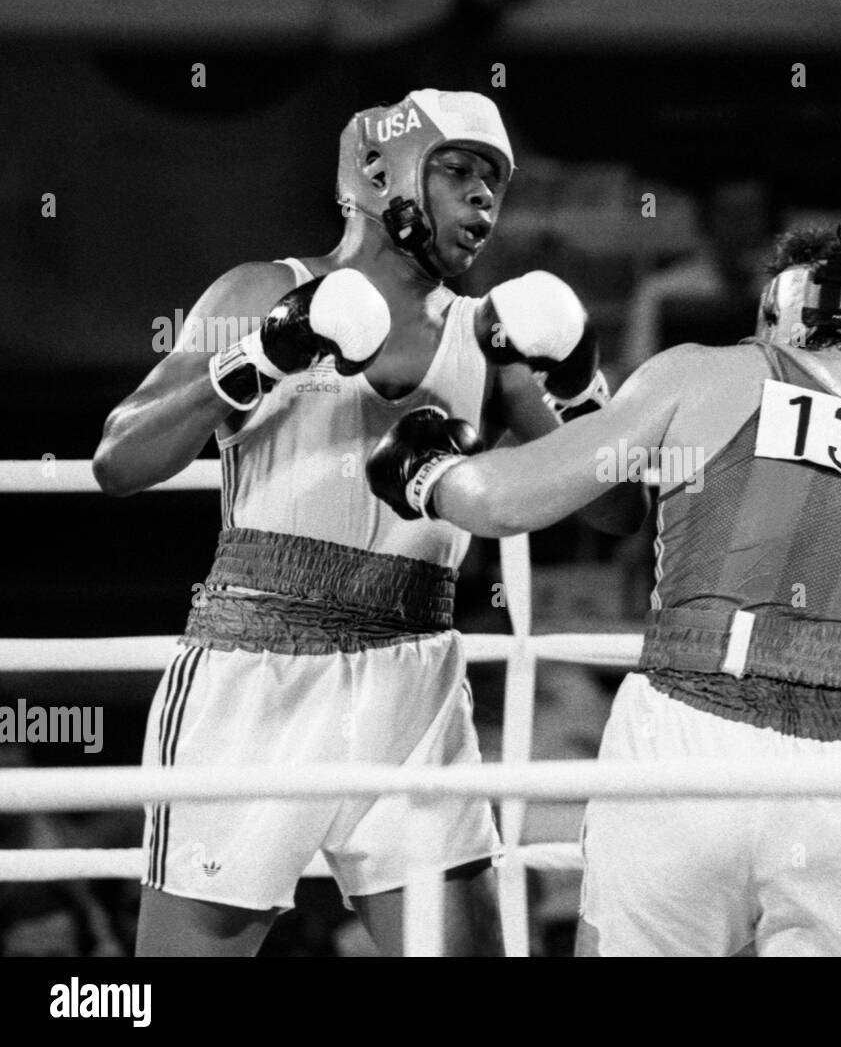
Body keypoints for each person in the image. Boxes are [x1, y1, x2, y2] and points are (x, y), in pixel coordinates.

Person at [93, 88, 645, 957]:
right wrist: (260, 355)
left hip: (414, 683)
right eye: (458, 171)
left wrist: (580, 380)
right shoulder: (266, 288)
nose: (483, 201)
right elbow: (119, 460)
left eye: (494, 183)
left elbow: (617, 506)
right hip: (255, 677)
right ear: (382, 173)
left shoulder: (486, 338)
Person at [368, 226, 841, 956]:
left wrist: (430, 471)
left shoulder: (706, 373)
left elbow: (504, 503)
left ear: (775, 318)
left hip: (689, 743)